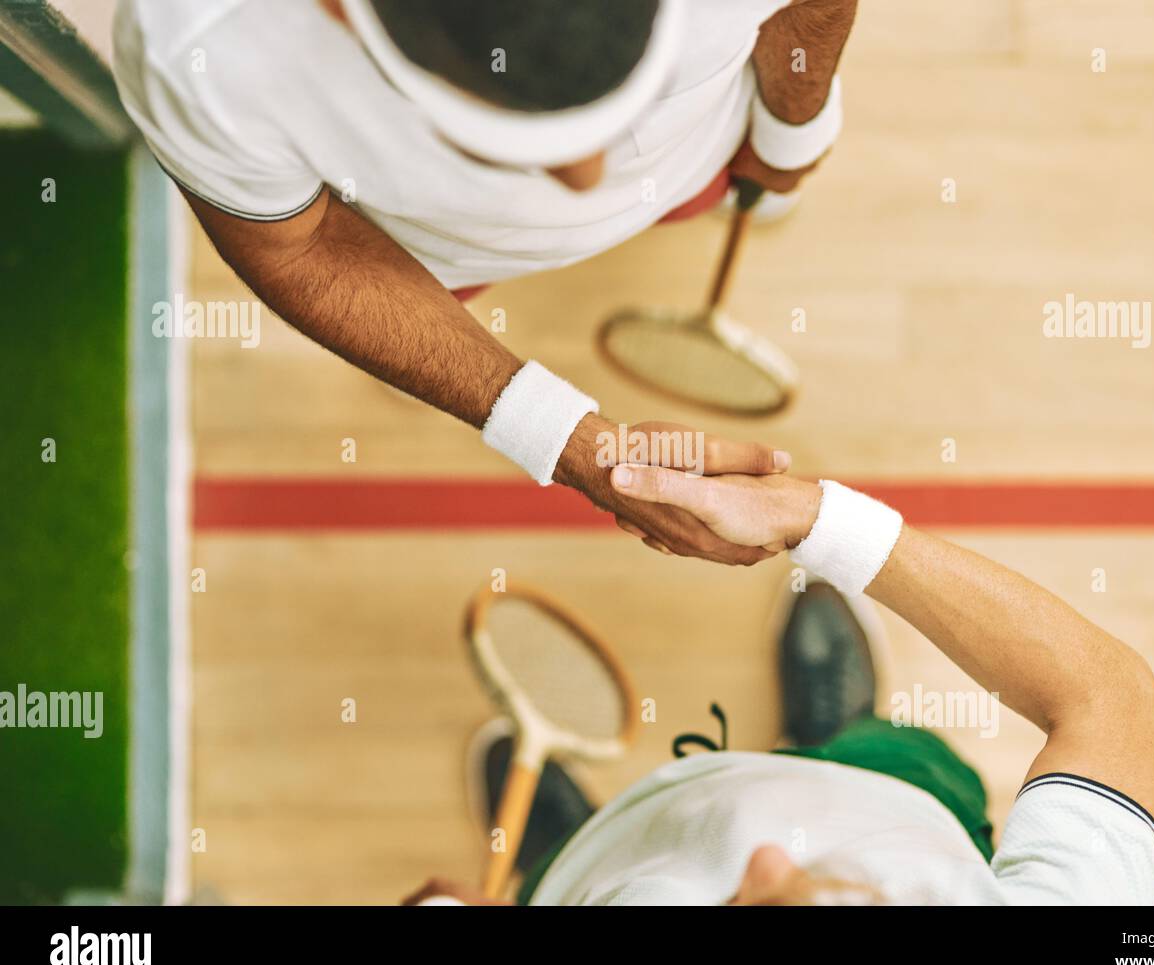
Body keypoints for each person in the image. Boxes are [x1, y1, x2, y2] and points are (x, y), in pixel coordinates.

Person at [111, 0, 859, 564]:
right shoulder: (198, 42)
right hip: (444, 261)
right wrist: (564, 439)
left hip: (712, 156)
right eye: (502, 143)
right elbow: (301, 253)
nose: (588, 179)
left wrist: (790, 129)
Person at [405, 468, 1154, 905]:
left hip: (577, 887)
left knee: (575, 867)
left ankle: (568, 847)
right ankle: (830, 732)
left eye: (749, 906)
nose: (767, 855)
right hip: (888, 794)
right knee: (892, 759)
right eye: (844, 895)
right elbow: (1111, 700)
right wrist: (815, 518)